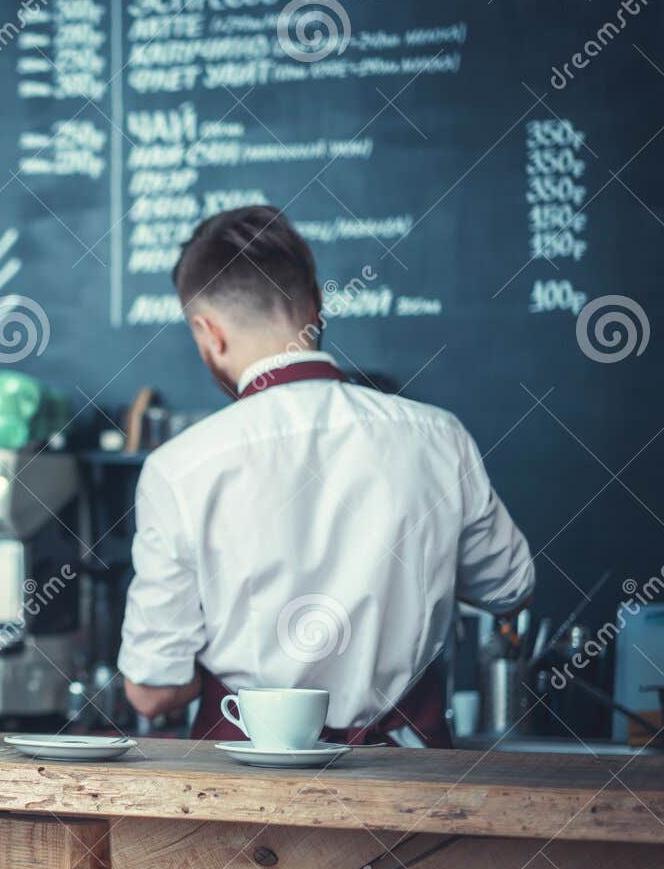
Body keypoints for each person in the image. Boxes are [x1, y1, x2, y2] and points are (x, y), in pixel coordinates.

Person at [118, 206, 534, 747]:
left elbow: (152, 692)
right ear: (316, 306)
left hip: (247, 779)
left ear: (208, 333)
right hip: (411, 776)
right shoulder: (438, 436)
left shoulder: (180, 467)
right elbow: (510, 587)